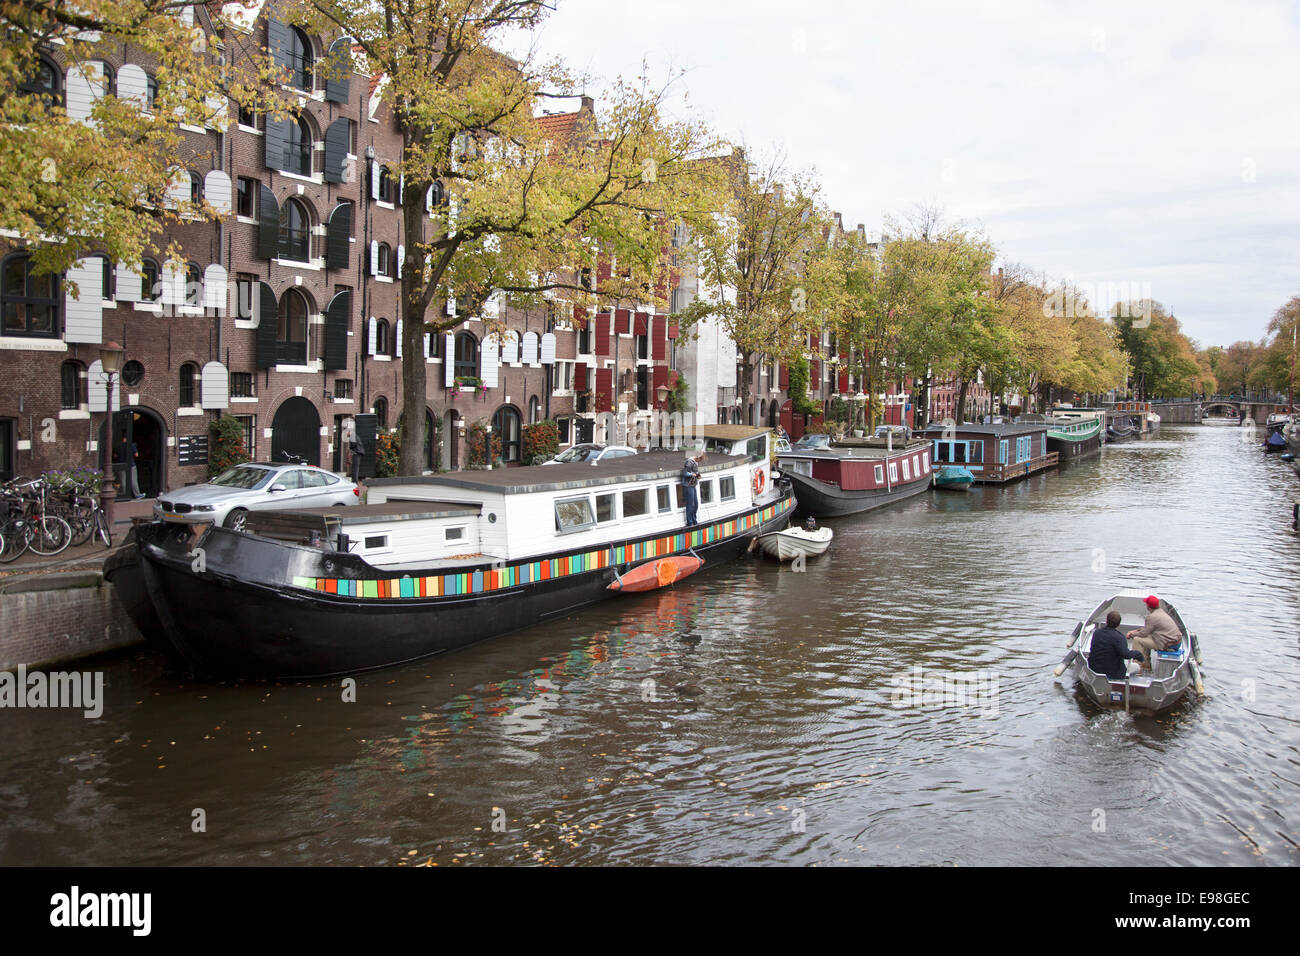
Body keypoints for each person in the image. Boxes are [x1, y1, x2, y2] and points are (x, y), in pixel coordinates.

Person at [1127, 595, 1182, 668]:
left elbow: (1143, 633)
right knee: (1147, 637)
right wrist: (1134, 631)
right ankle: (1146, 665)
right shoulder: (1161, 612)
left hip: (1169, 644)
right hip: (1176, 641)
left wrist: (1131, 635)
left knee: (1137, 640)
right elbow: (1147, 629)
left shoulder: (1152, 617)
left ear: (1148, 606)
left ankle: (1137, 667)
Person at [1087, 611, 1145, 679]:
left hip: (1094, 669)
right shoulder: (1119, 637)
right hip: (1112, 673)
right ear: (1118, 624)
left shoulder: (1097, 633)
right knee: (1136, 667)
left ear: (1106, 621)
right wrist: (1139, 655)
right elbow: (1126, 654)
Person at [681, 451, 704, 527]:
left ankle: (694, 519)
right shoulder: (689, 462)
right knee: (690, 504)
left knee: (696, 504)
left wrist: (698, 475)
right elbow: (684, 473)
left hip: (693, 485)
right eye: (700, 460)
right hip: (688, 485)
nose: (700, 461)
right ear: (697, 457)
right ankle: (690, 521)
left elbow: (695, 472)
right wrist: (692, 474)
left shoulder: (695, 463)